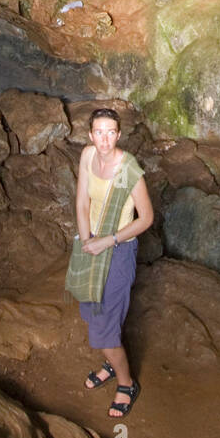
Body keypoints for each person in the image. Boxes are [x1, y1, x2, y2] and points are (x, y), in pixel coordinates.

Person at [77, 107, 153, 418]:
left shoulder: (129, 168)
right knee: (90, 311)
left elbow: (146, 218)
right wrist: (86, 241)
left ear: (119, 135)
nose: (105, 139)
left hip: (118, 249)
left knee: (104, 330)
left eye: (111, 132)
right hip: (91, 242)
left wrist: (108, 241)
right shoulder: (87, 155)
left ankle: (126, 382)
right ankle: (111, 363)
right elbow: (82, 201)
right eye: (99, 132)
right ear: (90, 134)